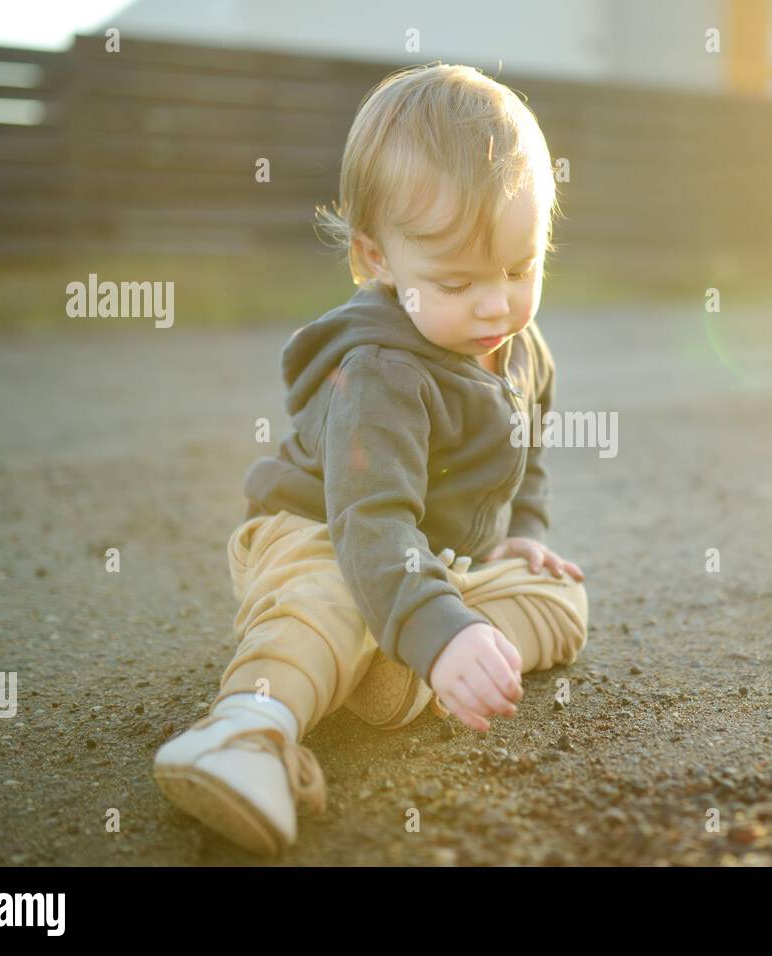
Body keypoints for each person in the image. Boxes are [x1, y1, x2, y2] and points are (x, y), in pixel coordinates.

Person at [152, 62, 589, 856]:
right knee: (330, 594)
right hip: (327, 533)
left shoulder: (519, 347)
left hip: (436, 561)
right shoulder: (381, 374)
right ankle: (247, 730)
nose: (496, 303)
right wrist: (438, 620)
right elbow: (372, 522)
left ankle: (406, 655)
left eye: (521, 269)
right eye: (456, 280)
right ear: (376, 258)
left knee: (562, 601)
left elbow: (531, 451)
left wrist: (521, 529)